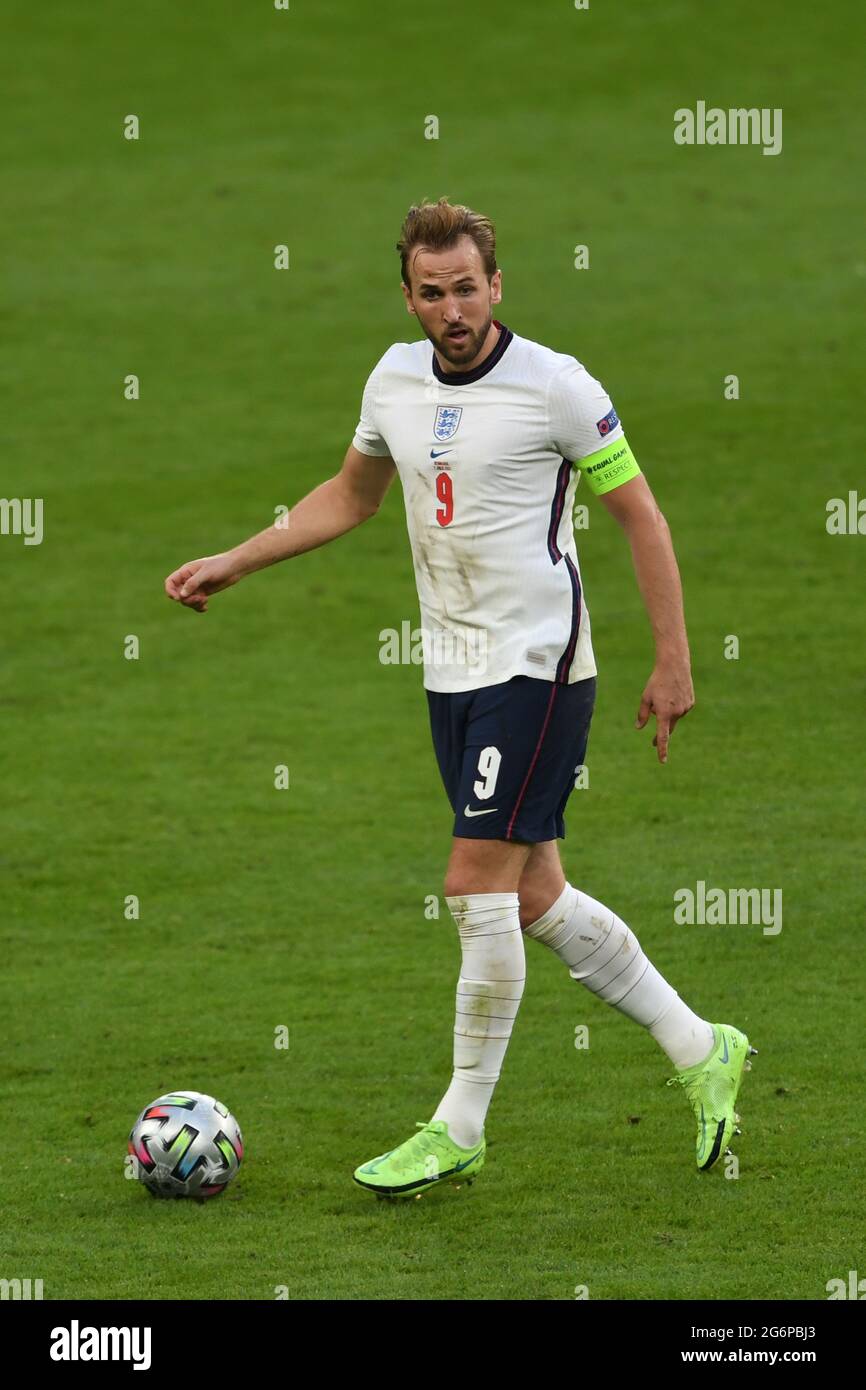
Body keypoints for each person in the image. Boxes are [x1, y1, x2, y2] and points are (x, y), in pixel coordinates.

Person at [165, 197, 755, 1200]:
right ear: (407, 296)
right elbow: (350, 496)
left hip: (536, 666)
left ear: (496, 283)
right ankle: (702, 1046)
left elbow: (639, 519)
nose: (452, 309)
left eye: (467, 287)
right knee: (530, 896)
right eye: (431, 293)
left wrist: (673, 661)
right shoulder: (393, 381)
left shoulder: (556, 388)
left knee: (474, 885)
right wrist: (238, 559)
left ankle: (459, 1125)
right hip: (450, 671)